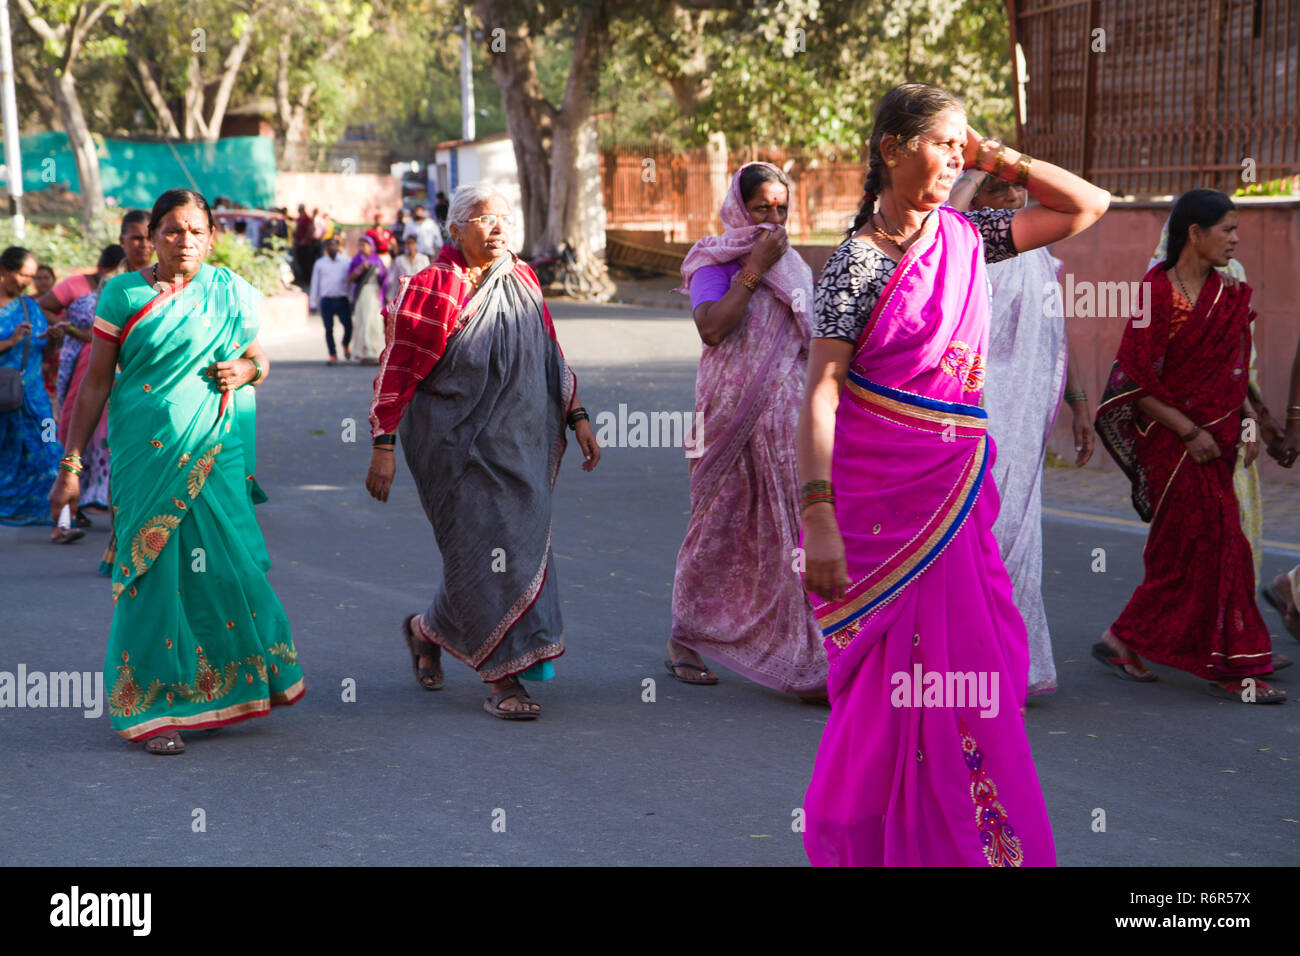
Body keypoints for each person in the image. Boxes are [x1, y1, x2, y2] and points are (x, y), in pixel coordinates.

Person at [798, 83, 1109, 866]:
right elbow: (822, 391)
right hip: (881, 510)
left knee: (973, 672)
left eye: (962, 146)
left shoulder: (968, 237)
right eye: (941, 143)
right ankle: (875, 839)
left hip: (956, 498)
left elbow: (1085, 206)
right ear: (891, 148)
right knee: (887, 690)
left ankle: (968, 841)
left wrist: (998, 154)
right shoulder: (857, 265)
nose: (955, 159)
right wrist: (818, 515)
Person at [50, 188, 304, 754]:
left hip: (215, 450)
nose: (183, 241)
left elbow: (259, 358)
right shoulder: (123, 293)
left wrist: (247, 368)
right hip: (147, 455)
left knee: (228, 571)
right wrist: (70, 463)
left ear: (212, 236)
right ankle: (152, 707)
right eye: (171, 230)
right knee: (153, 577)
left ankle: (227, 688)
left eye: (195, 231)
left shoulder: (231, 292)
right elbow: (95, 383)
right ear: (153, 237)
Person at [365, 183, 600, 719]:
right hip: (451, 446)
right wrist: (383, 445)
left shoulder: (520, 278)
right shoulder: (432, 287)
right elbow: (397, 368)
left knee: (509, 546)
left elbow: (548, 353)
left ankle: (426, 630)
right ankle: (504, 679)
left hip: (517, 442)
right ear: (454, 229)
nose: (497, 228)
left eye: (502, 219)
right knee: (487, 546)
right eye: (483, 219)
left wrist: (578, 415)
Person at [1094, 189, 1283, 703]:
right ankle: (1232, 666)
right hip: (1174, 443)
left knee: (1191, 555)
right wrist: (1189, 430)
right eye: (1227, 229)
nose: (1236, 239)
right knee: (1221, 548)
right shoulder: (1155, 294)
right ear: (1195, 235)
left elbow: (1235, 374)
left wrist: (1249, 426)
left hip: (1216, 440)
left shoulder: (1229, 295)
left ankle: (1127, 637)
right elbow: (1131, 381)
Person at [666, 162, 826, 698]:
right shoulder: (714, 260)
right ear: (739, 208)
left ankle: (801, 647)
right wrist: (754, 268)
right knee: (720, 521)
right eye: (762, 209)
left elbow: (815, 339)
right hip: (727, 416)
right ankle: (686, 633)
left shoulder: (798, 267)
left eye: (781, 209)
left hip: (791, 416)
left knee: (792, 527)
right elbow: (712, 328)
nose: (774, 220)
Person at [946, 173, 1095, 696]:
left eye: (1017, 188)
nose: (1014, 197)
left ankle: (1017, 662)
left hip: (1027, 413)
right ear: (980, 203)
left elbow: (1056, 326)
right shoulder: (966, 247)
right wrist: (965, 178)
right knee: (981, 528)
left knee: (1020, 530)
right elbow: (948, 219)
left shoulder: (1034, 248)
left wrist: (1077, 401)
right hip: (980, 411)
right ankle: (971, 665)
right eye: (999, 190)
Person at [0, 247, 70, 540]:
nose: (27, 282)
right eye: (22, 275)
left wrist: (53, 341)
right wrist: (9, 340)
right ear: (4, 271)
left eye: (31, 276)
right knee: (7, 457)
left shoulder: (30, 306)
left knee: (52, 448)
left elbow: (40, 352)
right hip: (5, 401)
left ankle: (63, 520)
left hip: (37, 401)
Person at [56, 245, 127, 410]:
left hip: (112, 354)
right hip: (85, 353)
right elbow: (44, 307)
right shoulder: (76, 284)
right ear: (101, 266)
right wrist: (70, 329)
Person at [309, 236, 353, 363]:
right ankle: (332, 354)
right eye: (330, 245)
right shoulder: (320, 263)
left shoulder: (346, 262)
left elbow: (350, 282)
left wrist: (352, 297)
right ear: (326, 248)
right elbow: (315, 283)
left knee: (348, 326)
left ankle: (345, 344)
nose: (332, 248)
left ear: (338, 247)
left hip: (342, 299)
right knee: (328, 328)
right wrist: (313, 302)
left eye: (334, 245)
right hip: (326, 300)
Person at [347, 235, 388, 365]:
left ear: (371, 247)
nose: (361, 248)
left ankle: (376, 352)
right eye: (360, 245)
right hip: (363, 293)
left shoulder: (377, 260)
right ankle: (364, 352)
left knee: (375, 322)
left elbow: (384, 278)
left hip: (375, 294)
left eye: (364, 245)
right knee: (364, 321)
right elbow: (349, 279)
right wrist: (359, 269)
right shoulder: (356, 260)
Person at [387, 233, 430, 302]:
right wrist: (389, 297)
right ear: (405, 245)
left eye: (412, 243)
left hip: (419, 293)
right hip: (403, 295)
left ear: (416, 244)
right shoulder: (399, 259)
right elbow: (394, 279)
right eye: (408, 243)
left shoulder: (424, 259)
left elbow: (428, 279)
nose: (410, 246)